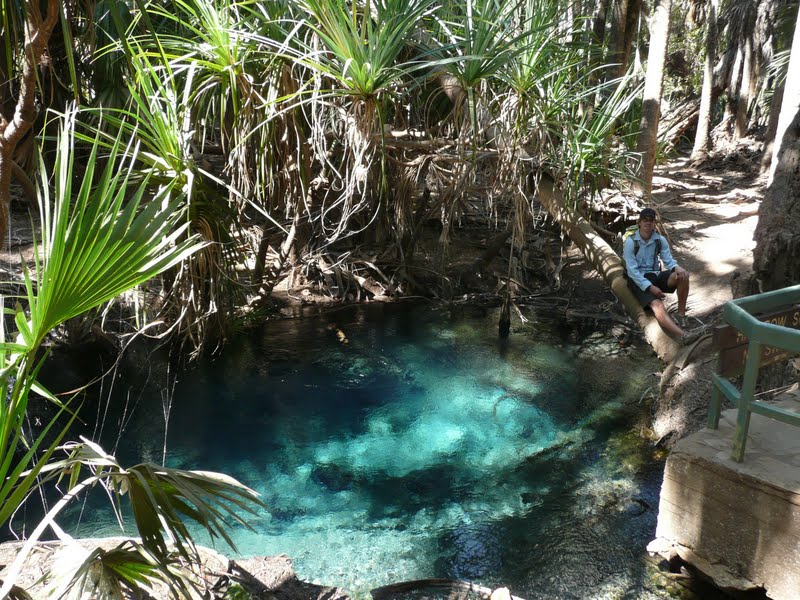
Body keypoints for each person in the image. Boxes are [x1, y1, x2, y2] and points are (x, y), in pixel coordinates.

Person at [623, 207, 692, 340]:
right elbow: (632, 271)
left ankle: (681, 315)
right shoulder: (631, 242)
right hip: (637, 279)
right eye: (645, 220)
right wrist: (650, 287)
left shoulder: (660, 240)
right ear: (639, 222)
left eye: (651, 220)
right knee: (658, 304)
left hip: (654, 274)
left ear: (654, 223)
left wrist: (677, 268)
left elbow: (668, 260)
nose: (648, 223)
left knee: (684, 276)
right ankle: (683, 335)